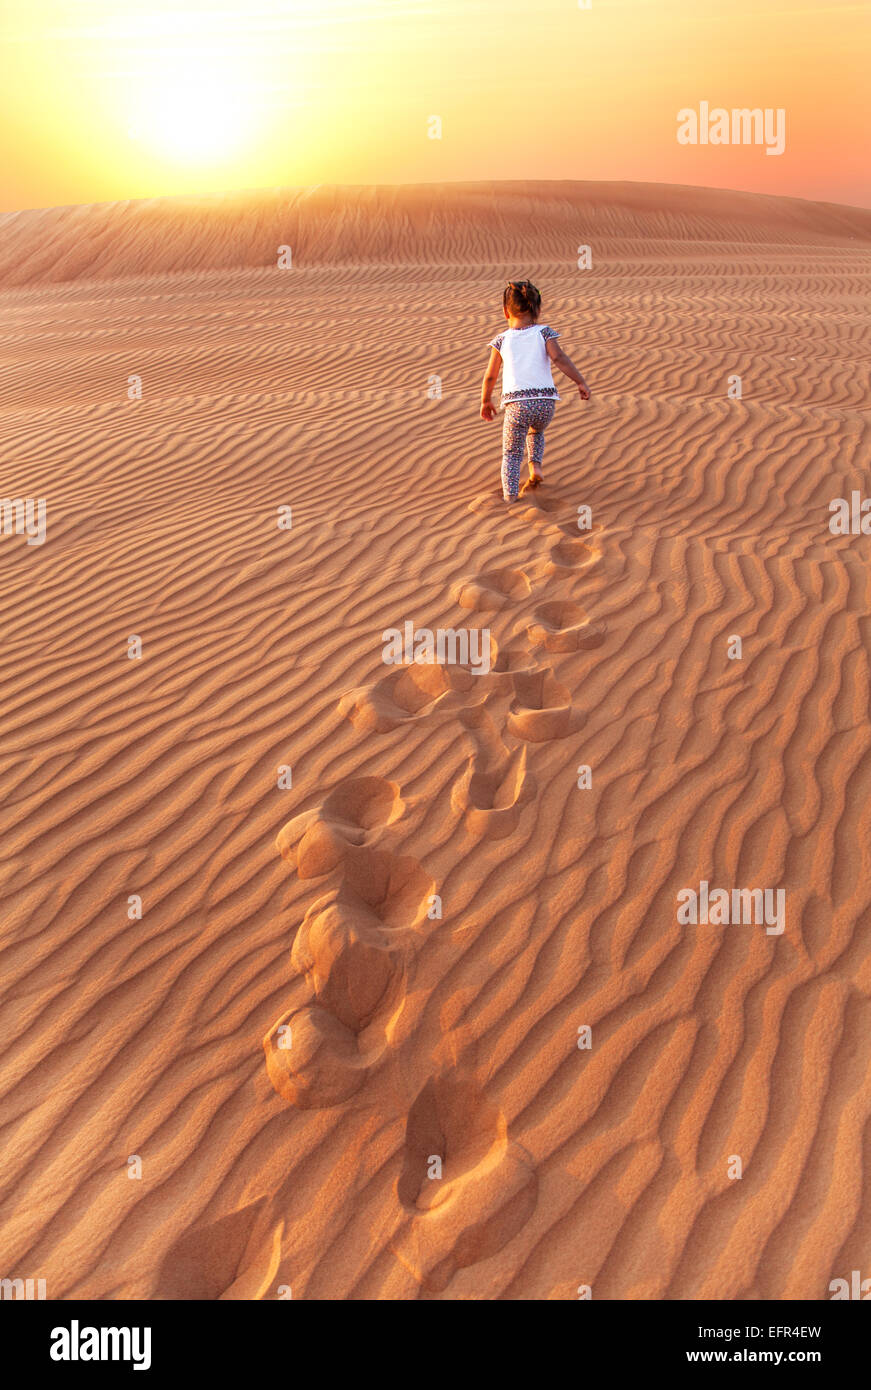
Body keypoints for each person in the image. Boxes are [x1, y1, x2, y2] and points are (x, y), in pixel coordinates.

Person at [480, 279, 591, 503]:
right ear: (537, 309)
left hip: (517, 405)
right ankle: (536, 467)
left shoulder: (502, 340)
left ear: (505, 311)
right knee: (536, 432)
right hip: (545, 403)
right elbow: (559, 358)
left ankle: (510, 497)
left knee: (511, 453)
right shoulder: (544, 333)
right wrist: (580, 382)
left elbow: (491, 375)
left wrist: (485, 400)